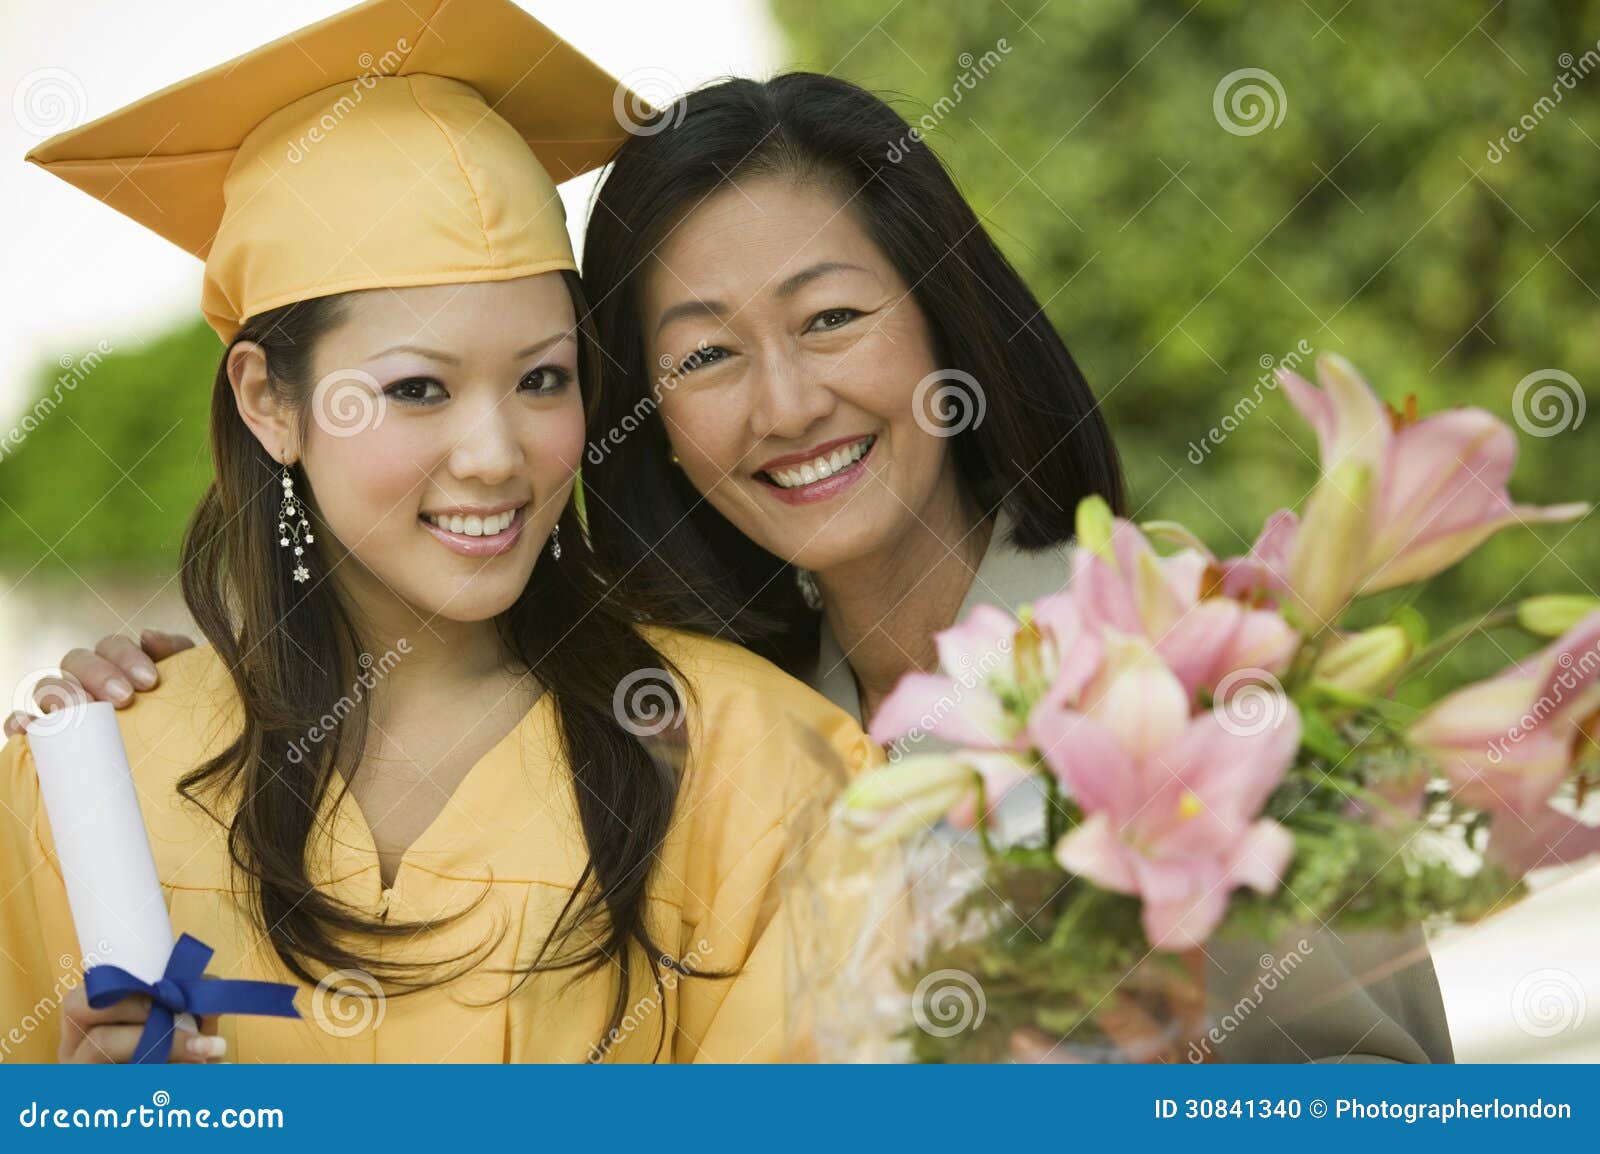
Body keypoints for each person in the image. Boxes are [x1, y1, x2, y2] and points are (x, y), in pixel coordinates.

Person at [20, 69, 1454, 1062]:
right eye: (703, 353)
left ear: (945, 319)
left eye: (831, 318)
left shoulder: (1181, 662)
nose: (782, 404)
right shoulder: (733, 711)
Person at [0, 0, 874, 1065]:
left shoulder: (757, 765)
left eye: (542, 378)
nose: (496, 454)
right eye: (417, 387)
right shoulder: (88, 787)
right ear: (269, 401)